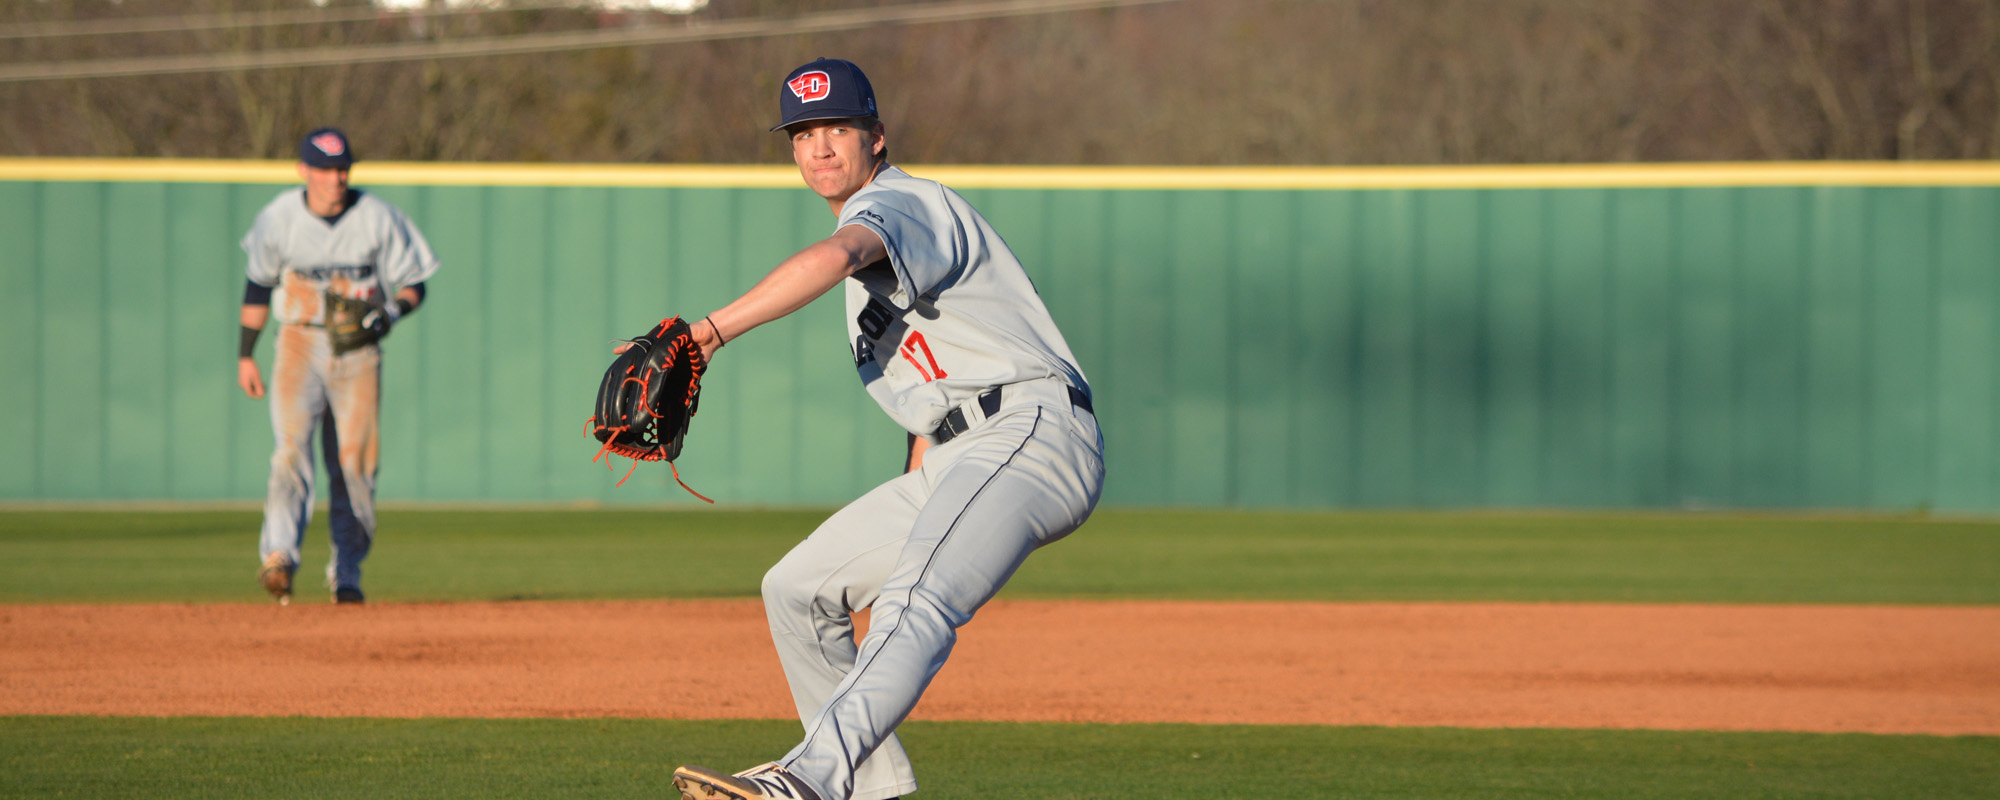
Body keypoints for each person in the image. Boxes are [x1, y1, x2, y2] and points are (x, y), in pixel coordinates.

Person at [665, 59, 1105, 800]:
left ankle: (808, 780)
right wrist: (918, 499)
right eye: (803, 134)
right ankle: (871, 788)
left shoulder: (904, 203)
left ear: (877, 136)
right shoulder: (869, 239)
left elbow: (838, 256)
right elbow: (926, 411)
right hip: (960, 450)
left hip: (1034, 427)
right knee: (797, 589)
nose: (821, 147)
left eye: (838, 127)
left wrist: (708, 333)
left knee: (915, 598)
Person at [236, 127, 439, 606]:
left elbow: (415, 283)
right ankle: (279, 557)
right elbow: (257, 289)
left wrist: (391, 312)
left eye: (342, 168)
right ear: (304, 170)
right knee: (290, 450)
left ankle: (347, 572)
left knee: (356, 467)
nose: (336, 177)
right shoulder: (279, 219)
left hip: (359, 350)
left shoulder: (377, 217)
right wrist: (246, 353)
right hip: (299, 342)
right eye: (325, 169)